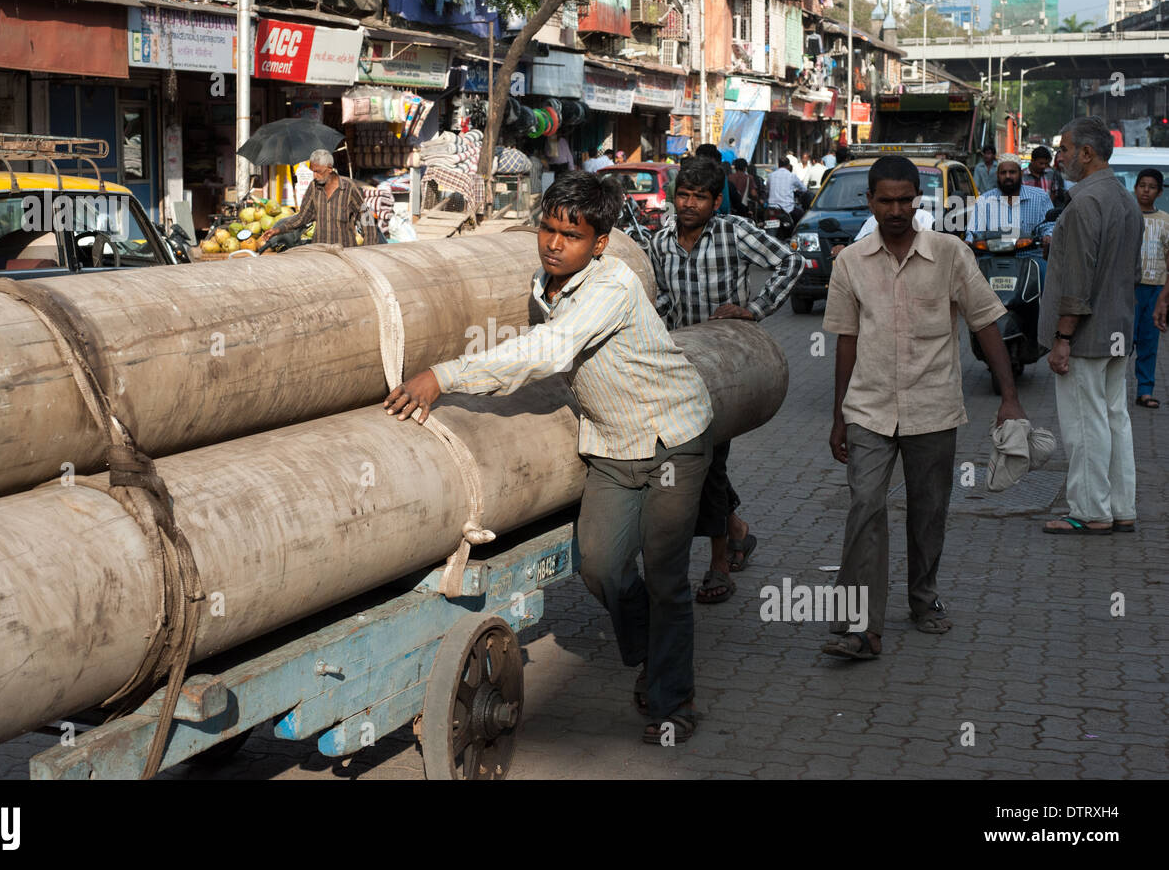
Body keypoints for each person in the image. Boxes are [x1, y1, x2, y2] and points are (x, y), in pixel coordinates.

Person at [384, 171, 714, 742]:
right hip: (611, 444)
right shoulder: (545, 283)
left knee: (665, 579)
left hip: (671, 441)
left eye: (572, 235)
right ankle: (648, 652)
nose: (554, 243)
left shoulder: (612, 287)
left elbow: (550, 350)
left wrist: (446, 375)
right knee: (601, 567)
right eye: (548, 228)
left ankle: (672, 701)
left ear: (601, 243)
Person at [820, 155, 1026, 659]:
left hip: (933, 405)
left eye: (904, 200)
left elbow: (984, 323)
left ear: (918, 200)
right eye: (885, 200)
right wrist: (838, 415)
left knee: (928, 511)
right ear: (870, 201)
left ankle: (922, 597)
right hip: (868, 407)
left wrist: (1010, 396)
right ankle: (860, 627)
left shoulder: (951, 254)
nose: (895, 209)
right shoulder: (849, 262)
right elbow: (845, 341)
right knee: (866, 506)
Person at [650, 157, 805, 604]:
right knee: (690, 460)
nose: (689, 204)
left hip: (731, 366)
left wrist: (754, 311)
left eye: (700, 197)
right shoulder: (660, 242)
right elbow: (661, 297)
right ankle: (737, 530)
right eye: (683, 195)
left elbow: (789, 264)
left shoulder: (734, 231)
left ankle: (718, 566)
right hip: (683, 366)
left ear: (717, 202)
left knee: (709, 465)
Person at [1038, 117, 1142, 535]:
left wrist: (1063, 338)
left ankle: (1089, 510)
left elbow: (1078, 283)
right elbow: (1128, 271)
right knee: (1114, 418)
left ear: (1086, 153)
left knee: (1086, 423)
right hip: (1117, 330)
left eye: (1063, 149)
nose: (1058, 158)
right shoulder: (1125, 199)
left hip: (1085, 336)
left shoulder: (1084, 203)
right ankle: (1121, 508)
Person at [965, 157, 1054, 277]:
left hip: (1030, 259)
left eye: (1012, 172)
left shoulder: (1040, 197)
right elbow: (974, 231)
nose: (1008, 176)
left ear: (1020, 173)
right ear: (997, 175)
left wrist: (1048, 236)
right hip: (991, 260)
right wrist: (968, 242)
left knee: (1047, 278)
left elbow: (1049, 225)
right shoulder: (984, 200)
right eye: (1003, 173)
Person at [1131, 168, 1169, 408]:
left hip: (1155, 290)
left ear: (1159, 191)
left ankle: (1145, 390)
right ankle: (1110, 392)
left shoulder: (1165, 221)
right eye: (1142, 185)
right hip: (1128, 290)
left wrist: (1164, 297)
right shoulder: (1126, 216)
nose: (1146, 190)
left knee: (1149, 342)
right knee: (1122, 343)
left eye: (1151, 187)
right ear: (1135, 188)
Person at [287, 149, 364, 247]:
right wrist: (278, 229)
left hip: (345, 250)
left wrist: (370, 246)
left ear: (329, 168)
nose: (314, 176)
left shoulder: (349, 187)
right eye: (313, 172)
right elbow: (302, 217)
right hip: (320, 251)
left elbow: (364, 215)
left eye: (318, 172)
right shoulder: (313, 187)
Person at [695, 143, 733, 214]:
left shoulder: (691, 174)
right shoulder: (718, 174)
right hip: (714, 216)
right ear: (713, 158)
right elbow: (725, 205)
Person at [767, 156, 806, 223]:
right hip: (787, 208)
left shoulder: (771, 176)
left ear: (778, 165)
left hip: (772, 208)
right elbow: (804, 189)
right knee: (802, 217)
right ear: (788, 166)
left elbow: (767, 190)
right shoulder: (791, 176)